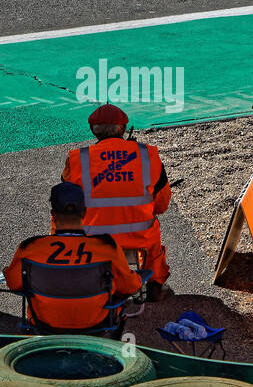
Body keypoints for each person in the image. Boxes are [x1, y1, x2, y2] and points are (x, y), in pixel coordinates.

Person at [62, 104, 173, 301]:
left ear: (92, 130)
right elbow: (162, 204)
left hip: (92, 240)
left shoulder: (77, 159)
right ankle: (155, 283)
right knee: (153, 226)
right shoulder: (148, 154)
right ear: (122, 129)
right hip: (139, 238)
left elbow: (66, 203)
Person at [5, 182, 142, 332]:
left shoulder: (29, 248)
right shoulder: (107, 248)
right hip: (97, 323)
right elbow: (130, 286)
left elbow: (13, 283)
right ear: (84, 212)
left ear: (53, 215)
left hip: (44, 323)